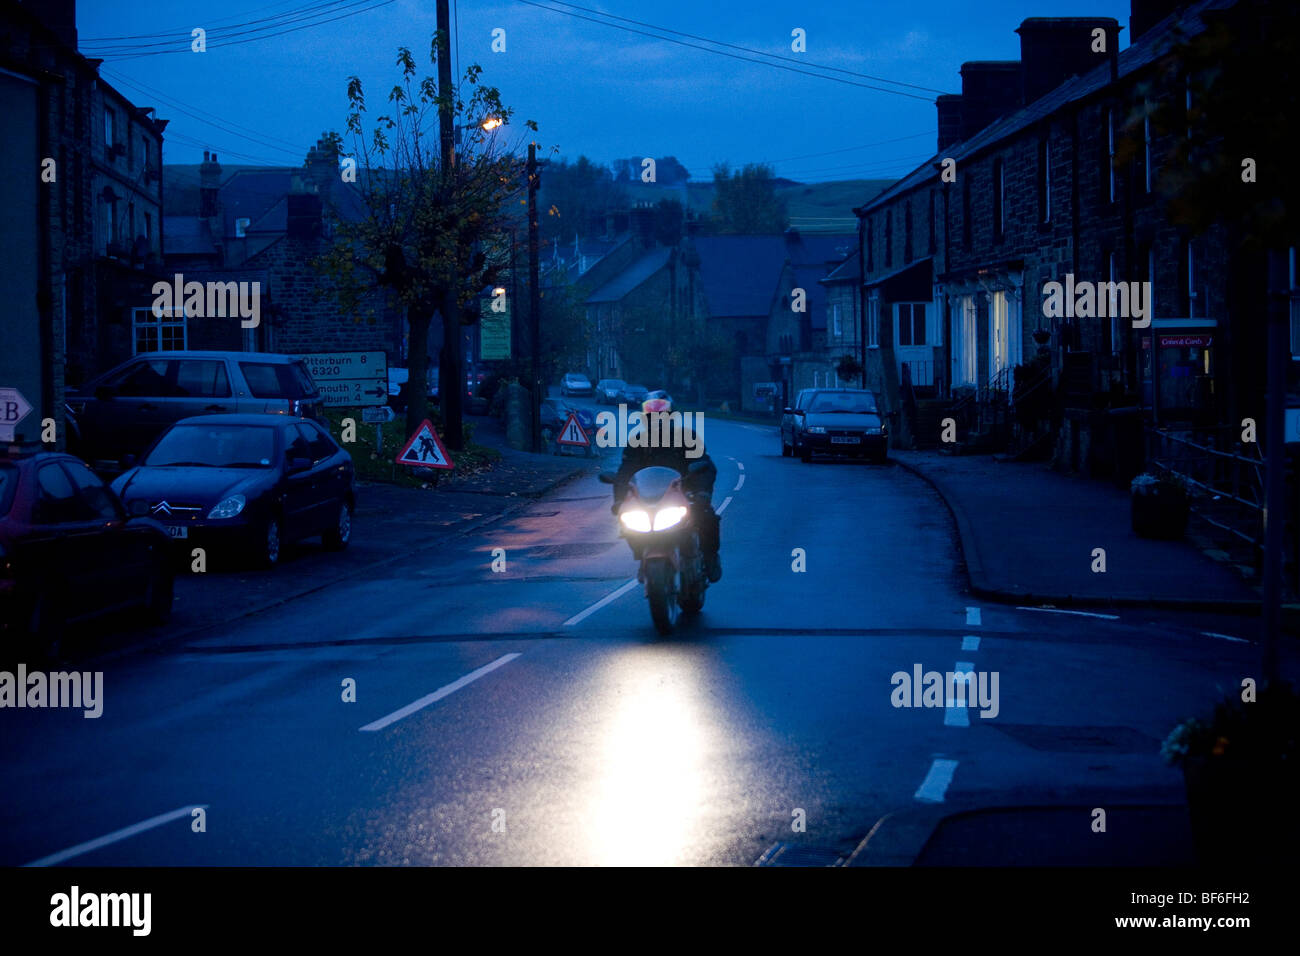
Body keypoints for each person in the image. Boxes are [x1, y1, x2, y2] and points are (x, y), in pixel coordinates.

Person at [610, 390, 722, 582]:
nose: (657, 417)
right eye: (651, 413)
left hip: (683, 496)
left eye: (661, 412)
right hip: (647, 498)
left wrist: (702, 492)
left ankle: (710, 557)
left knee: (707, 517)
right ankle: (643, 557)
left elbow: (705, 466)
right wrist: (620, 500)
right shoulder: (636, 443)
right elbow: (625, 473)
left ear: (671, 415)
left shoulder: (687, 438)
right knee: (627, 522)